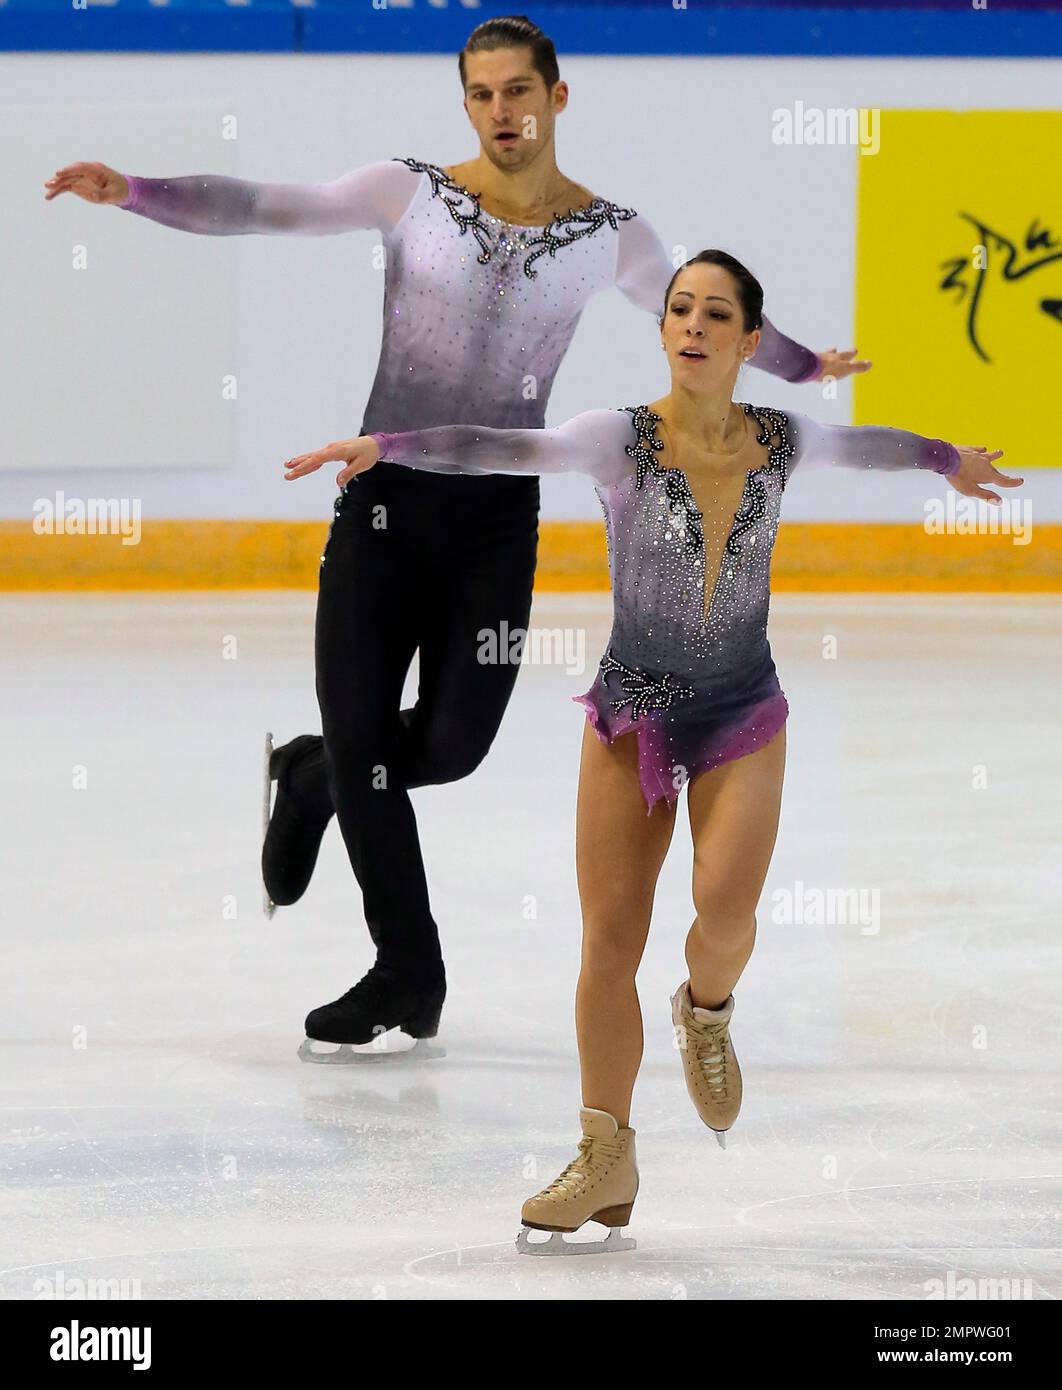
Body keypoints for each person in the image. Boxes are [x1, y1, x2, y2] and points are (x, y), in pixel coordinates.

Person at [43, 16, 868, 1059]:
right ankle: (409, 969)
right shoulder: (409, 192)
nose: (501, 112)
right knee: (370, 743)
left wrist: (803, 370)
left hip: (492, 523)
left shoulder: (613, 235)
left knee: (446, 748)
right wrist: (135, 192)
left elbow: (706, 321)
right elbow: (266, 207)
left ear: (559, 97)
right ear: (465, 102)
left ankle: (309, 776)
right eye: (480, 95)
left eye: (519, 91)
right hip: (382, 503)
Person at [282, 248, 1019, 1250]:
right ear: (664, 328)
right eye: (680, 308)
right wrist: (394, 444)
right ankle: (605, 1153)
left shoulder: (779, 441)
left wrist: (944, 458)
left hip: (739, 712)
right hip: (632, 712)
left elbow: (870, 445)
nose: (695, 325)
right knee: (608, 945)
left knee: (723, 908)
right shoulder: (616, 439)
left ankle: (707, 1008)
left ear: (750, 341)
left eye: (718, 314)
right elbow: (502, 445)